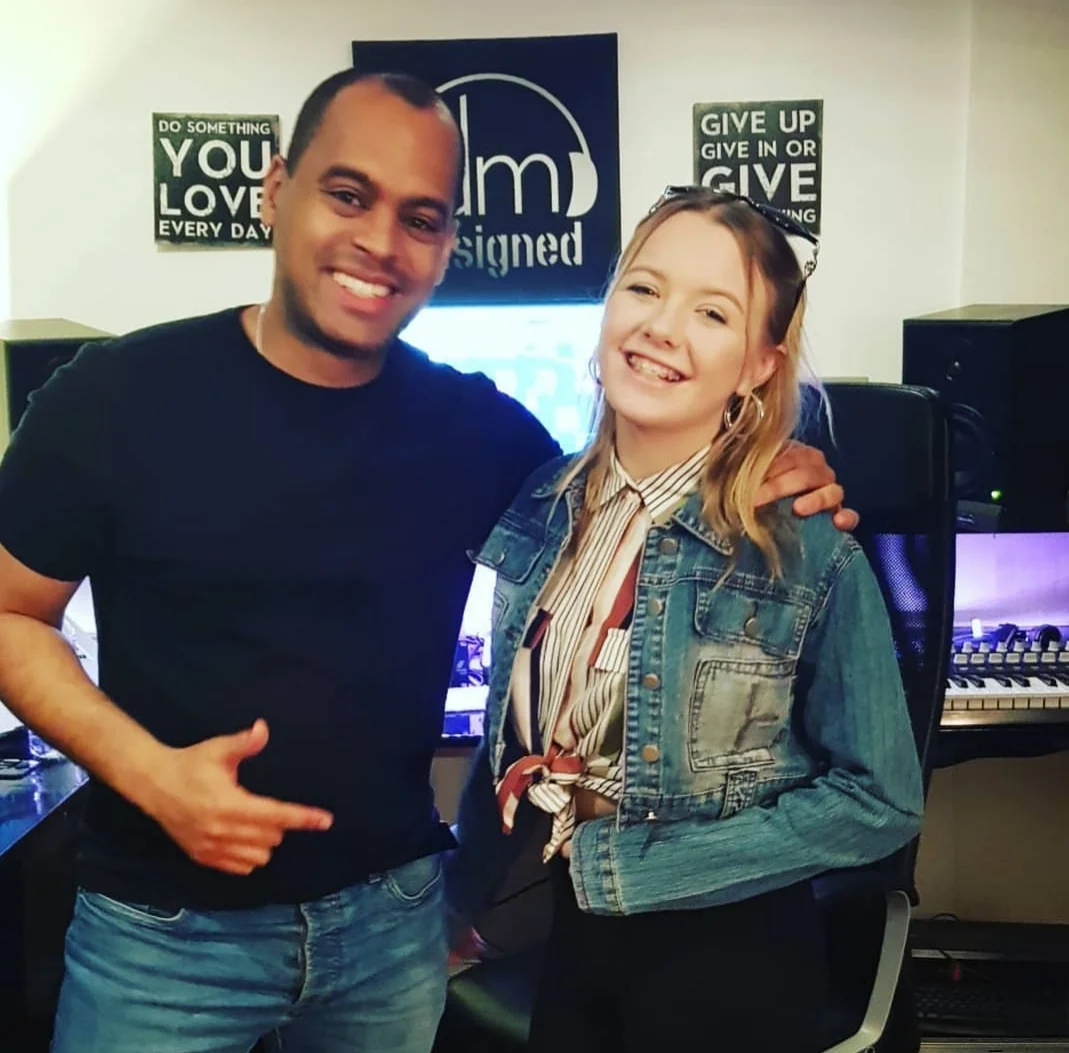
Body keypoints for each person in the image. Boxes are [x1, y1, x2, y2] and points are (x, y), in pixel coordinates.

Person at [0, 70, 852, 1053]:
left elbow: (640, 502)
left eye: (420, 218)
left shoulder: (478, 432)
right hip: (161, 939)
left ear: (447, 247)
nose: (380, 242)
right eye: (347, 194)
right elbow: (12, 613)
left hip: (390, 931)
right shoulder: (115, 397)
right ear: (276, 190)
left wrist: (764, 466)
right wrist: (148, 773)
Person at [446, 186, 925, 1053]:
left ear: (756, 365)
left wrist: (641, 869)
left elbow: (880, 798)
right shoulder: (542, 502)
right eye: (643, 288)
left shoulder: (804, 550)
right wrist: (458, 903)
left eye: (712, 312)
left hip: (728, 961)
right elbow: (506, 743)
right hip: (573, 938)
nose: (661, 327)